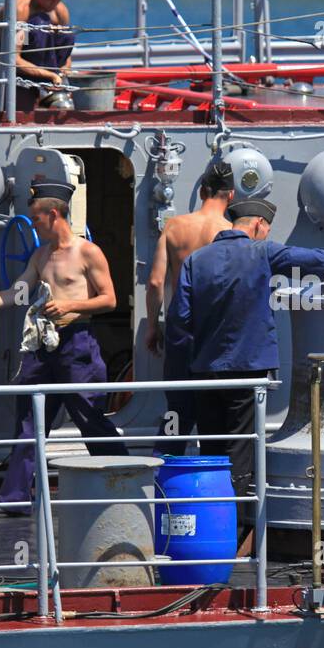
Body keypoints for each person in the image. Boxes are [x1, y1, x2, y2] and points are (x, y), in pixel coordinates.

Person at [167, 198, 324, 496]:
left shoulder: (196, 260)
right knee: (241, 451)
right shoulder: (264, 251)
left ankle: (211, 516)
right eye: (266, 229)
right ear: (258, 224)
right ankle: (237, 524)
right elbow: (323, 262)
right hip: (249, 371)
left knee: (212, 449)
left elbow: (180, 318)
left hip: (205, 371)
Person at [0, 178, 126, 517]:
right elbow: (16, 293)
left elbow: (109, 299)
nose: (31, 224)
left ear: (53, 214)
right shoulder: (41, 255)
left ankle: (123, 481)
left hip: (77, 344)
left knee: (91, 418)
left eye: (36, 218)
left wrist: (70, 306)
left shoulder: (87, 252)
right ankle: (16, 501)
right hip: (43, 348)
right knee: (28, 423)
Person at [144, 161, 235, 444]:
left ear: (204, 191)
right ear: (231, 195)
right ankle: (216, 475)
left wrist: (151, 327)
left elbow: (156, 282)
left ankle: (164, 472)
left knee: (178, 409)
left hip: (180, 328)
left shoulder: (174, 226)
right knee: (216, 411)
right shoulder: (233, 231)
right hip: (218, 331)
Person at [0, 0, 74, 96]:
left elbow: (65, 51)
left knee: (67, 35)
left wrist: (65, 68)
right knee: (39, 23)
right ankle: (45, 84)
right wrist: (50, 75)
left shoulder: (59, 11)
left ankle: (53, 86)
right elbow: (13, 58)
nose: (53, 4)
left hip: (45, 66)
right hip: (4, 61)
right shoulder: (21, 11)